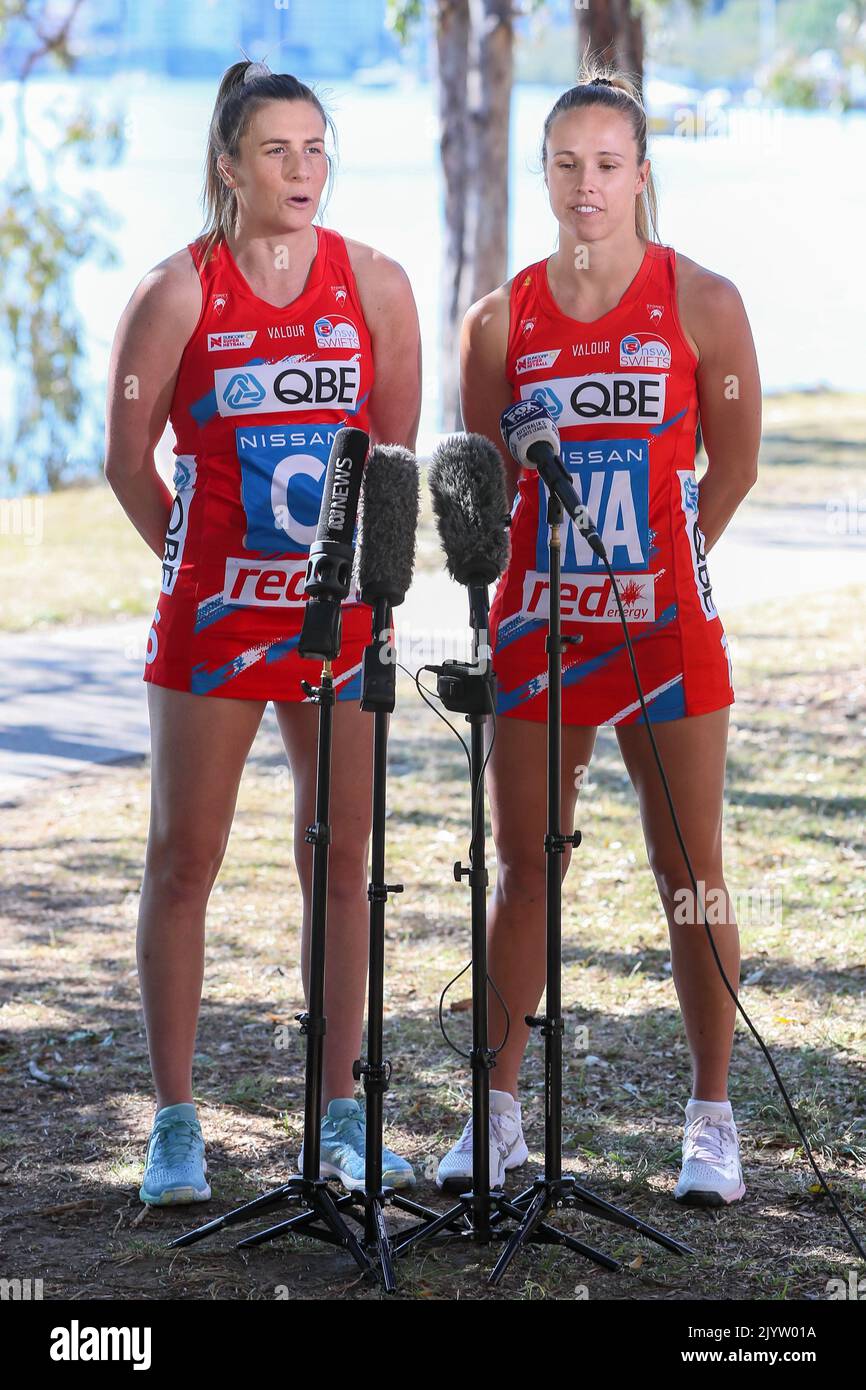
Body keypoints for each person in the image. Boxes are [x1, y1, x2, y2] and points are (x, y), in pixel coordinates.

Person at [438, 62, 761, 1206]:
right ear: (542, 174)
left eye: (607, 165)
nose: (586, 186)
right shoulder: (498, 322)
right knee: (524, 869)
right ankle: (498, 1111)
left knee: (690, 876)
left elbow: (731, 468)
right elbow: (485, 481)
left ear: (639, 174)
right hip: (539, 630)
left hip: (668, 631)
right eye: (565, 165)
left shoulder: (702, 301)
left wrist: (665, 569)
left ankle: (711, 1117)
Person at [104, 60, 421, 1203]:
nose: (302, 170)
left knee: (339, 862)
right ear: (228, 168)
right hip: (213, 622)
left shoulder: (375, 284)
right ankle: (176, 1124)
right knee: (182, 859)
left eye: (316, 147)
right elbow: (124, 460)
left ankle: (341, 1113)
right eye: (276, 150)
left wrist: (345, 597)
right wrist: (201, 567)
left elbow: (390, 462)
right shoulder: (177, 291)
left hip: (338, 627)